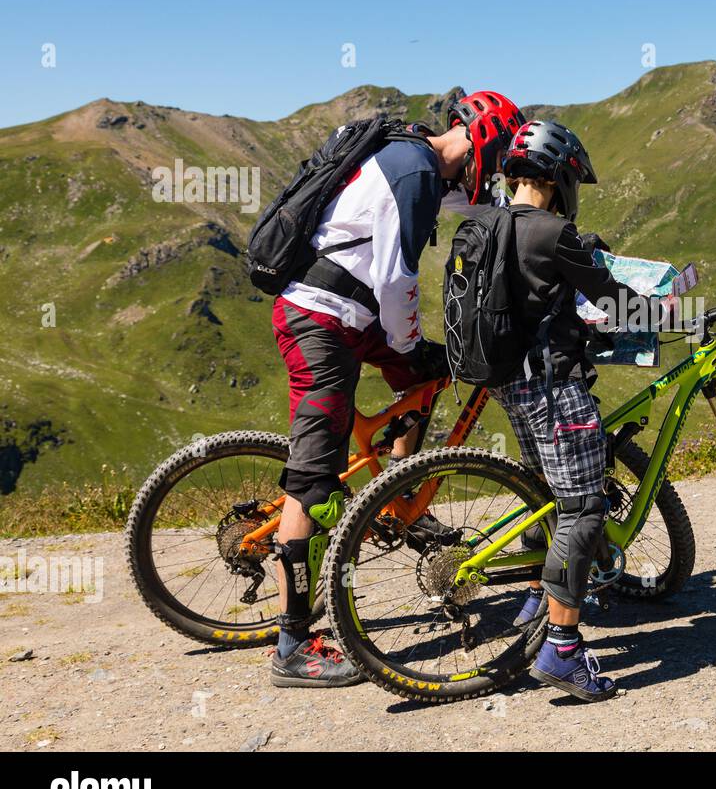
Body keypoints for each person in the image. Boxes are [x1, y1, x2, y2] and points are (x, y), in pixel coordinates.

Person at [269, 91, 524, 687]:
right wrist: (408, 345)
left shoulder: (419, 162)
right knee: (313, 482)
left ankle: (396, 500)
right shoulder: (411, 174)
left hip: (350, 316)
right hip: (323, 323)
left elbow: (468, 201)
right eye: (501, 152)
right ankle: (290, 645)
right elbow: (397, 280)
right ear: (483, 139)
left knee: (430, 374)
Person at [491, 119, 672, 701]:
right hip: (554, 389)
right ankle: (564, 651)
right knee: (582, 507)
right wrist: (668, 314)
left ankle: (533, 603)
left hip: (508, 387)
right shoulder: (553, 232)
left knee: (549, 493)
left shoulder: (480, 225)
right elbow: (613, 297)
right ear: (560, 176)